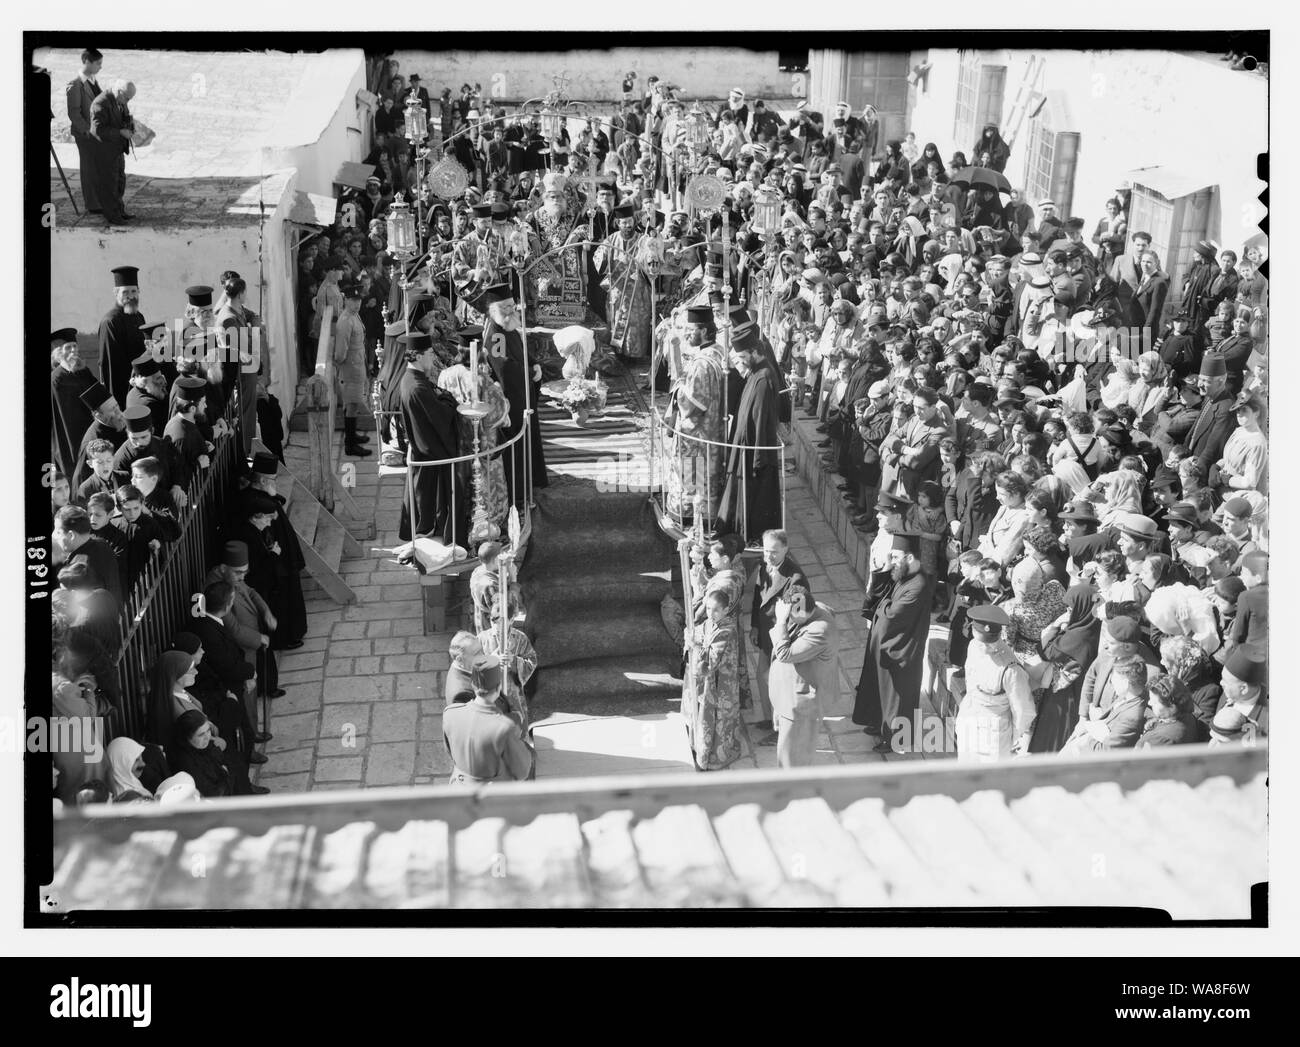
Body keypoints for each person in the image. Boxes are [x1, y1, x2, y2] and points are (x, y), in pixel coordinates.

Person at [853, 534, 936, 752]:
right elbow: (879, 596)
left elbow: (890, 615)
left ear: (909, 557)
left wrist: (884, 604)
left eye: (895, 556)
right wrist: (885, 570)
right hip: (888, 644)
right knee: (881, 688)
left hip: (902, 649)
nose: (892, 560)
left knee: (897, 696)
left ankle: (895, 739)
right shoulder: (904, 574)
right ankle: (879, 724)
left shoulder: (917, 585)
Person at [396, 331, 467, 547]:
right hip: (432, 454)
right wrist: (448, 399)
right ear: (416, 356)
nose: (432, 358)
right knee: (437, 508)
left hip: (427, 450)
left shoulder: (413, 379)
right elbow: (442, 416)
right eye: (428, 353)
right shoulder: (417, 386)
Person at [716, 329, 782, 544]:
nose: (742, 362)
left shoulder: (764, 378)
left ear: (755, 352)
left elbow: (761, 420)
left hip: (752, 448)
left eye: (744, 357)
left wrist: (757, 457)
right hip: (743, 442)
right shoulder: (756, 372)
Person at [768, 584, 840, 768]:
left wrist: (781, 622)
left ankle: (793, 792)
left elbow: (785, 654)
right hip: (789, 695)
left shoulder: (820, 631)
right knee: (786, 754)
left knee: (793, 760)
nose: (788, 619)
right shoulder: (815, 608)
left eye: (789, 616)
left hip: (802, 706)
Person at [749, 529, 810, 742]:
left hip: (782, 639)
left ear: (786, 549)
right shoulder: (764, 566)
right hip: (767, 636)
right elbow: (759, 598)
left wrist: (786, 641)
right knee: (761, 676)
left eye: (774, 552)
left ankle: (780, 728)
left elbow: (800, 616)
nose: (769, 556)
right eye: (766, 551)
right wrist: (755, 626)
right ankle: (769, 718)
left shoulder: (796, 578)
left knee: (778, 684)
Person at [954, 604, 1035, 761]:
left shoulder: (1011, 669)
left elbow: (1024, 711)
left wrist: (1008, 737)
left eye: (990, 642)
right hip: (968, 723)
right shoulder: (972, 647)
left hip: (992, 737)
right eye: (981, 641)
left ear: (999, 635)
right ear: (972, 631)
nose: (985, 647)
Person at [442, 657, 534, 785]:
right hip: (490, 798)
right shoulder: (504, 728)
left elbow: (450, 752)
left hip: (459, 789)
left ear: (473, 685)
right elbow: (522, 771)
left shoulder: (450, 714)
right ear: (498, 688)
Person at [684, 588, 744, 771]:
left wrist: (694, 643)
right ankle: (700, 748)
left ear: (726, 610)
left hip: (721, 683)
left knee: (718, 720)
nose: (711, 613)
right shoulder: (709, 623)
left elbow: (710, 662)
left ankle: (713, 756)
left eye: (716, 610)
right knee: (701, 715)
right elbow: (700, 631)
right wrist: (692, 636)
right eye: (708, 608)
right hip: (708, 682)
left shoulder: (727, 630)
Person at [97, 265, 147, 411]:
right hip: (122, 392)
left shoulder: (138, 316)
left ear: (138, 291)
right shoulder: (110, 322)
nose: (130, 296)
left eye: (133, 291)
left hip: (138, 388)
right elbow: (111, 369)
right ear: (116, 292)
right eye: (125, 292)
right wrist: (117, 406)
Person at [88, 79, 136, 225]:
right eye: (127, 98)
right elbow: (98, 130)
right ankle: (112, 215)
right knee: (109, 184)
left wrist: (130, 124)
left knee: (120, 181)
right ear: (120, 92)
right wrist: (120, 132)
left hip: (117, 149)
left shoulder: (120, 99)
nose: (127, 101)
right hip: (105, 151)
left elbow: (123, 116)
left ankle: (119, 211)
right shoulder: (100, 103)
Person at [50, 329, 97, 478]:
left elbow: (98, 393)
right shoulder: (56, 379)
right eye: (68, 347)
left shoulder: (83, 370)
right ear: (58, 353)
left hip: (88, 427)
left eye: (75, 346)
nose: (73, 351)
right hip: (69, 434)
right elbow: (63, 416)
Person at [334, 280, 372, 457]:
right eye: (353, 300)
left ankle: (353, 435)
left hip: (357, 365)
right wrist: (341, 365)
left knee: (354, 403)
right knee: (351, 404)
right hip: (350, 368)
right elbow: (341, 351)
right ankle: (350, 444)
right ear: (346, 300)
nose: (357, 303)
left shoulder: (354, 315)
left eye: (359, 300)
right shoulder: (345, 320)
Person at [66, 48, 104, 214]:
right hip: (86, 135)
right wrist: (87, 131)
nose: (100, 67)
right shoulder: (75, 85)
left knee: (97, 167)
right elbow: (73, 112)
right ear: (87, 61)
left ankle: (99, 200)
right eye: (98, 63)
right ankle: (93, 205)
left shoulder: (93, 80)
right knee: (88, 168)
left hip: (97, 133)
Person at [105, 737, 153, 802]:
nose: (143, 764)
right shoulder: (130, 798)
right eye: (136, 760)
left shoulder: (111, 792)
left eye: (141, 758)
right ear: (120, 765)